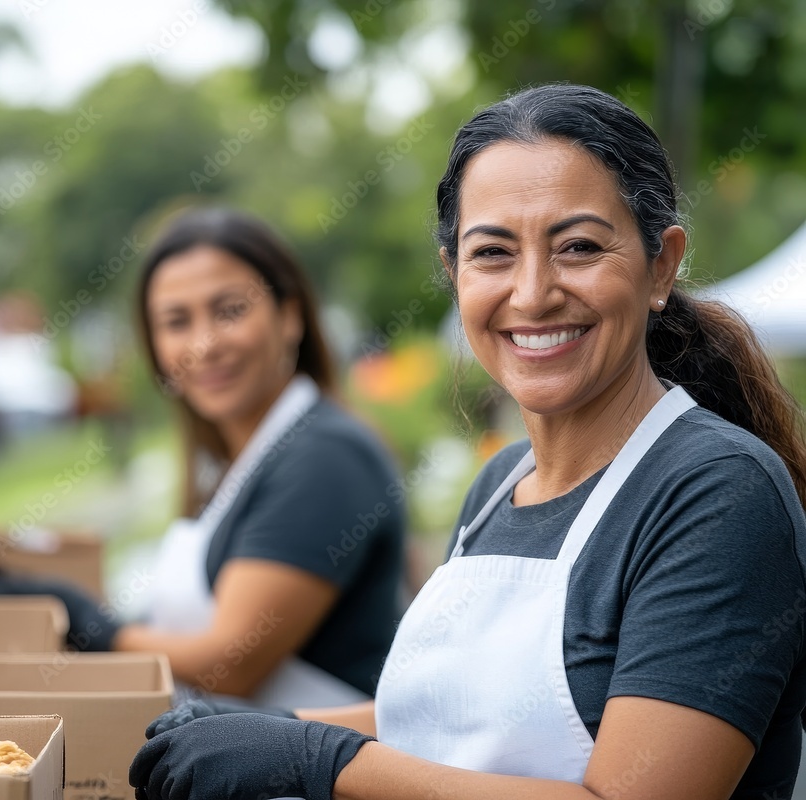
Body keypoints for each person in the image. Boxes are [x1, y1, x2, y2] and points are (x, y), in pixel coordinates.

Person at [128, 84, 806, 800]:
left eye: (578, 246)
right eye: (493, 253)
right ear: (454, 274)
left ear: (660, 265)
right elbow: (447, 723)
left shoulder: (717, 494)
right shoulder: (499, 485)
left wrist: (323, 759)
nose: (533, 292)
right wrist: (264, 732)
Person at [0, 207, 407, 709]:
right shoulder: (243, 459)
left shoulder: (325, 456)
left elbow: (229, 664)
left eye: (230, 310)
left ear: (290, 316)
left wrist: (86, 623)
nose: (204, 345)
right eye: (176, 321)